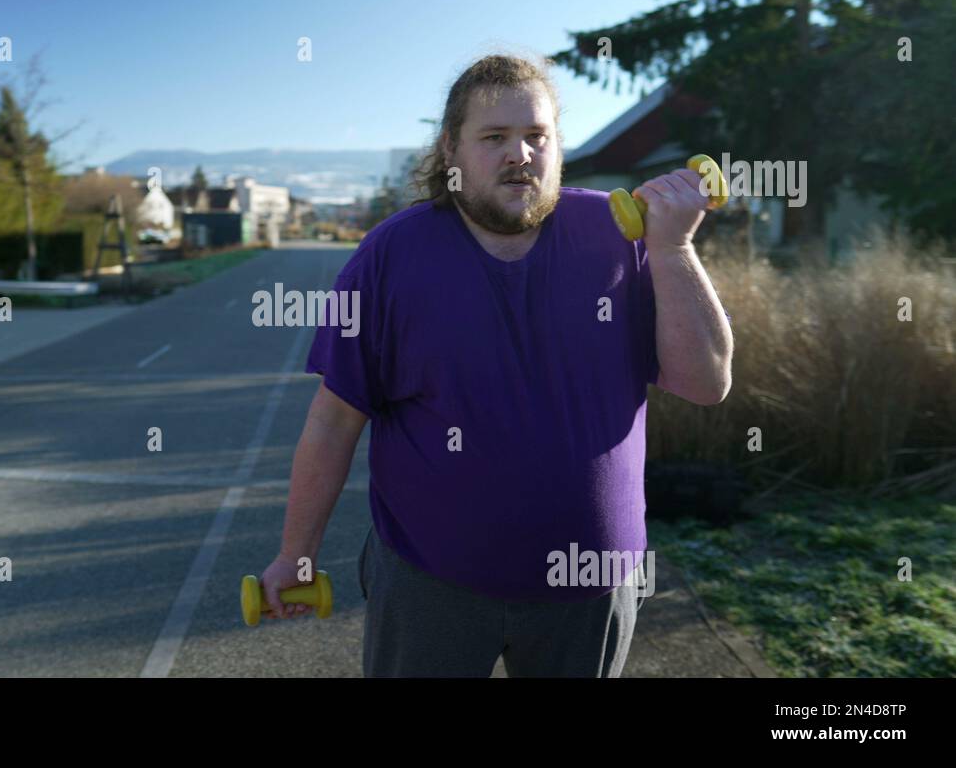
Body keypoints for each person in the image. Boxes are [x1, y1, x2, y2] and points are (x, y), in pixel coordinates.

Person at [256, 54, 733, 677]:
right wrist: (297, 553)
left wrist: (673, 247)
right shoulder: (390, 256)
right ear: (451, 149)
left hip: (592, 584)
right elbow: (333, 422)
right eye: (494, 137)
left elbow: (706, 383)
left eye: (537, 136)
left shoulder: (621, 236)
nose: (521, 154)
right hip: (431, 585)